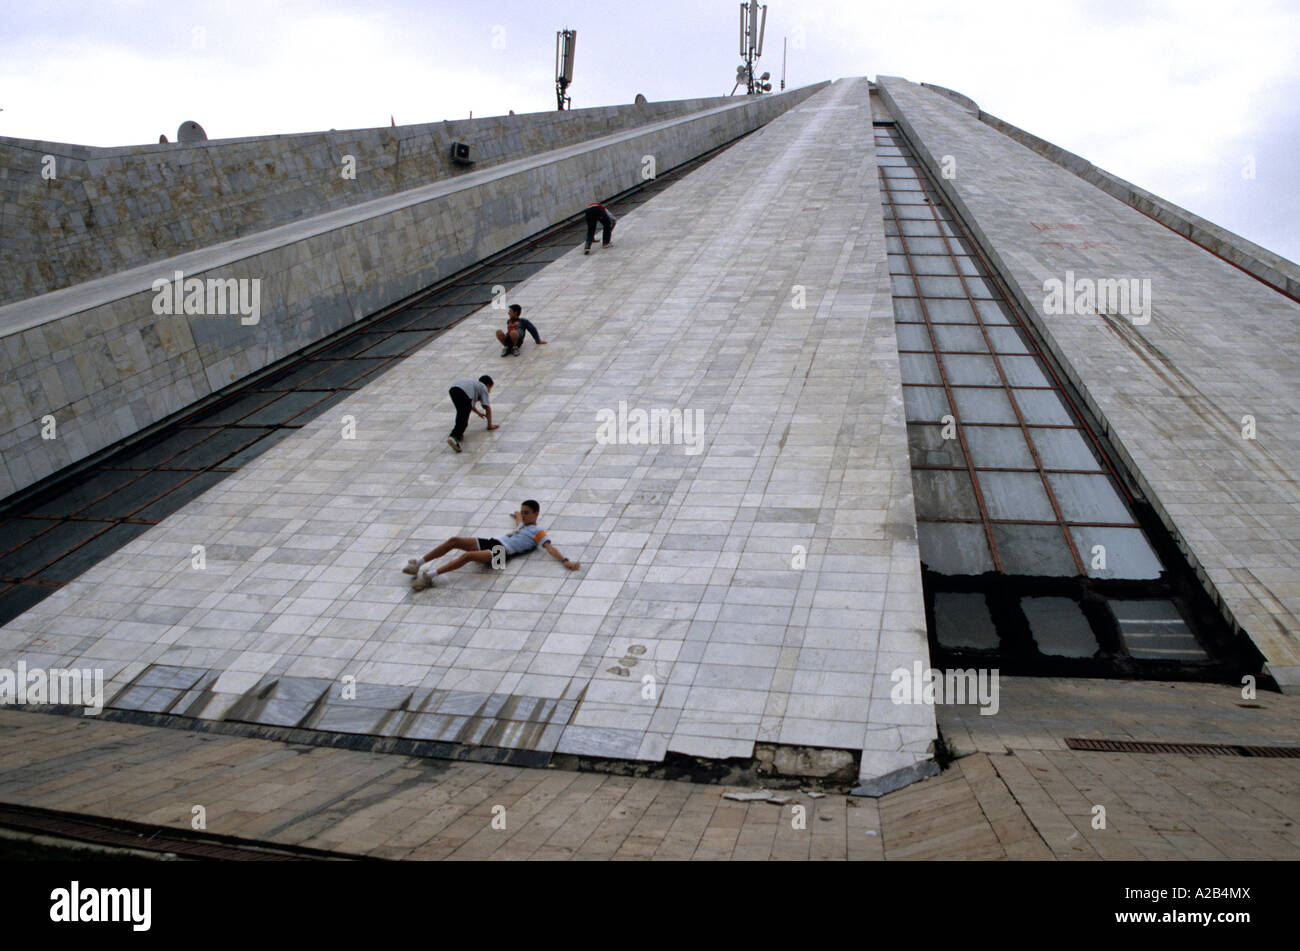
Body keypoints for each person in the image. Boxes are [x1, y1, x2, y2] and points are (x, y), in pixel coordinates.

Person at [402, 500, 581, 589]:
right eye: (523, 512)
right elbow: (518, 516)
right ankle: (417, 563)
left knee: (467, 556)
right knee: (454, 541)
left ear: (536, 514)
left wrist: (565, 560)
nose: (524, 515)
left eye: (527, 513)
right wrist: (516, 515)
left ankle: (430, 577)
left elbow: (550, 548)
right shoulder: (521, 524)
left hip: (502, 554)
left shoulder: (537, 532)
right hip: (494, 542)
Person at [447, 375, 497, 453]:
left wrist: (478, 413)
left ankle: (458, 435)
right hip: (462, 392)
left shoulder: (474, 385)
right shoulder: (483, 387)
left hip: (453, 389)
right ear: (488, 385)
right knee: (463, 419)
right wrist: (489, 425)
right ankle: (454, 436)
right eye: (490, 388)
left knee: (461, 413)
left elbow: (470, 405)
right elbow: (487, 407)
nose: (489, 391)